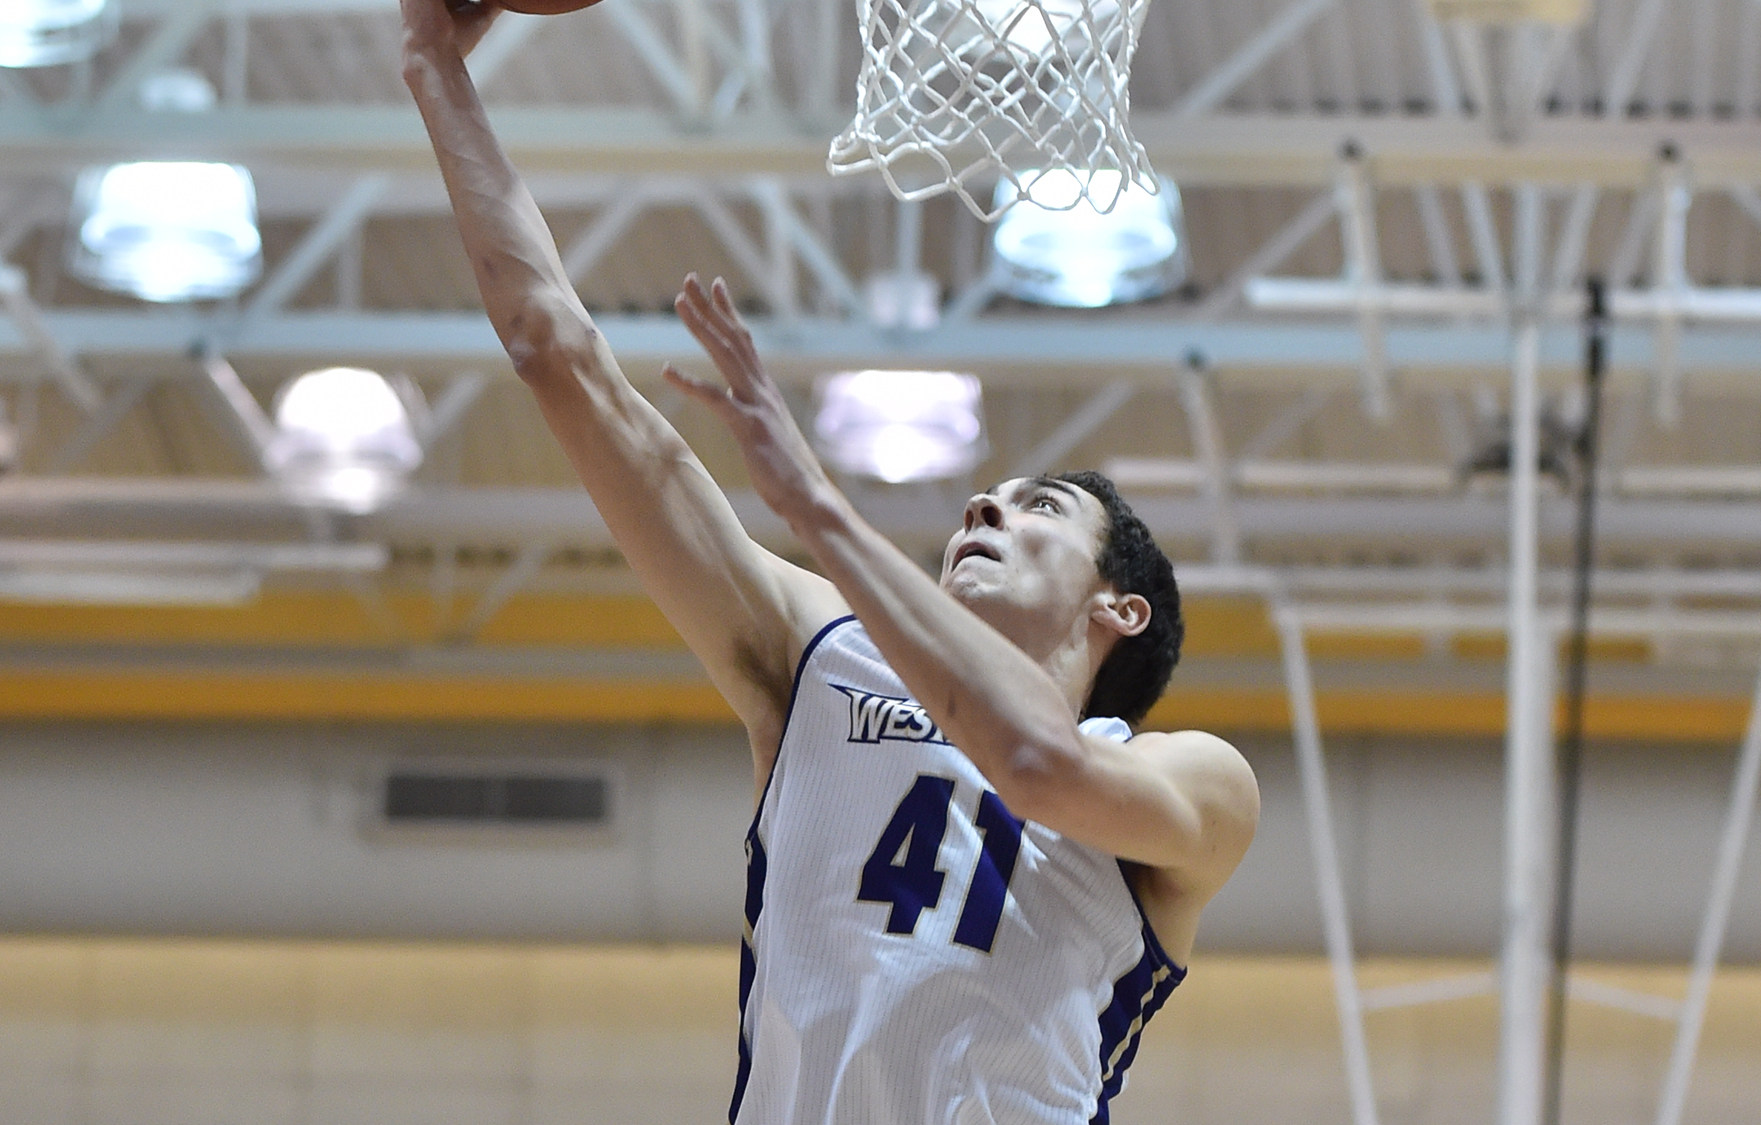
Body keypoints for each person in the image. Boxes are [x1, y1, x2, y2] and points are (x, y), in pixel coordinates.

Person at [398, 3, 1260, 1121]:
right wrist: (434, 73)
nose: (981, 505)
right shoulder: (820, 651)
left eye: (1035, 504)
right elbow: (553, 351)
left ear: (1119, 609)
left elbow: (1040, 768)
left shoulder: (1193, 782)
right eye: (984, 495)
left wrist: (815, 507)